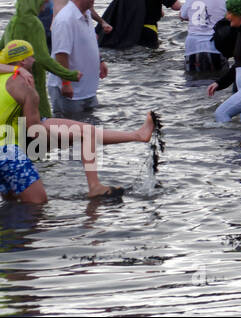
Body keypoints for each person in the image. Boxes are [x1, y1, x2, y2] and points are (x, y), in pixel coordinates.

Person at [0, 40, 157, 202]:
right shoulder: (24, 86)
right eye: (31, 57)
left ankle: (137, 135)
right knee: (37, 206)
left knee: (13, 204)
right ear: (22, 61)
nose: (34, 60)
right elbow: (34, 129)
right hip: (10, 151)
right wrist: (63, 138)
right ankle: (94, 187)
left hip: (10, 142)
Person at [3, 0, 80, 118]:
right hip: (33, 82)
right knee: (42, 123)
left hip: (11, 84)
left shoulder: (13, 21)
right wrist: (69, 75)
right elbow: (43, 59)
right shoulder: (33, 23)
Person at [47, 0, 106, 120]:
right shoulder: (65, 19)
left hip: (87, 89)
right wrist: (66, 82)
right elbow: (61, 54)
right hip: (70, 92)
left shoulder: (86, 14)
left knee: (91, 133)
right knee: (70, 135)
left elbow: (89, 41)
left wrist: (100, 61)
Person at [180, 0, 230, 74]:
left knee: (192, 82)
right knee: (218, 82)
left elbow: (182, 15)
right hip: (214, 46)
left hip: (192, 46)